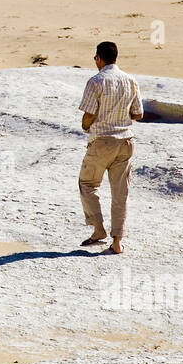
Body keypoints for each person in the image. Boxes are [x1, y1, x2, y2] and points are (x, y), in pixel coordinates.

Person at [78, 41, 142, 254]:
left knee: (87, 184)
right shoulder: (130, 80)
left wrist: (86, 126)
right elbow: (138, 114)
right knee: (120, 192)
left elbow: (88, 114)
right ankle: (117, 242)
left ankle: (98, 230)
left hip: (102, 140)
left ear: (99, 58)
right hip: (125, 142)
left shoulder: (96, 81)